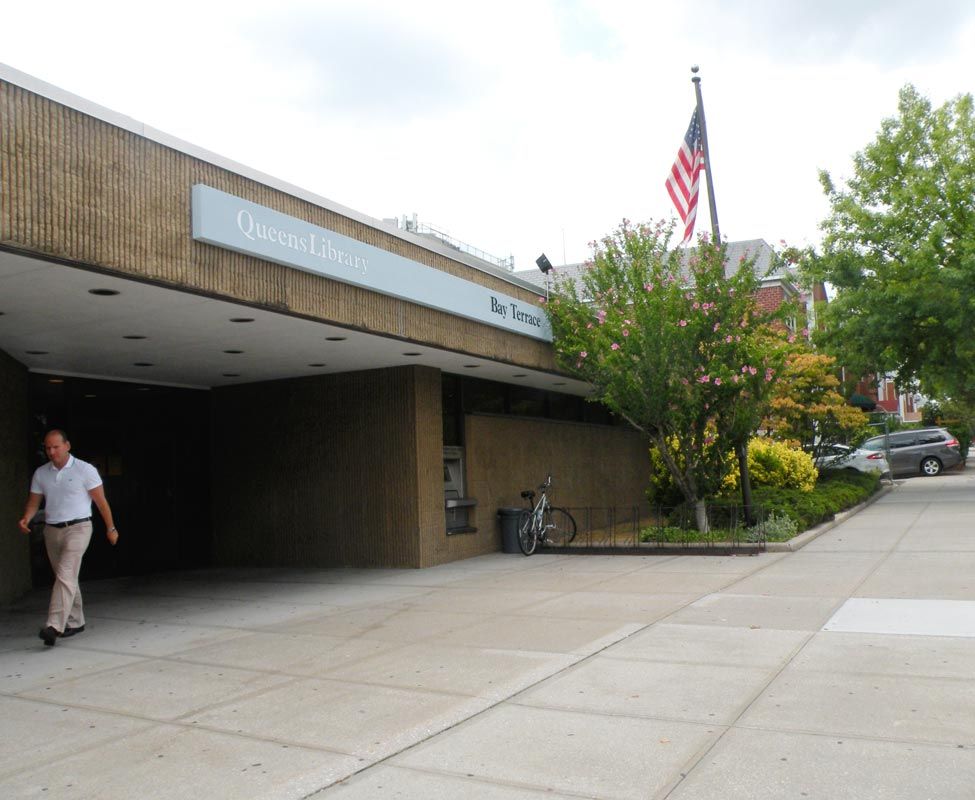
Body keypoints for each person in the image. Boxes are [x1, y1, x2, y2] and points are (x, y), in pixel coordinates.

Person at [17, 429, 119, 646]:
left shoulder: (85, 469)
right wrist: (26, 518)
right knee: (66, 577)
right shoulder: (41, 473)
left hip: (79, 527)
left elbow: (101, 502)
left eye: (56, 447)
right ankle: (75, 620)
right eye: (48, 448)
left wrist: (111, 528)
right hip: (52, 530)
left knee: (65, 574)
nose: (51, 451)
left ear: (67, 446)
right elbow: (35, 501)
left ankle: (54, 625)